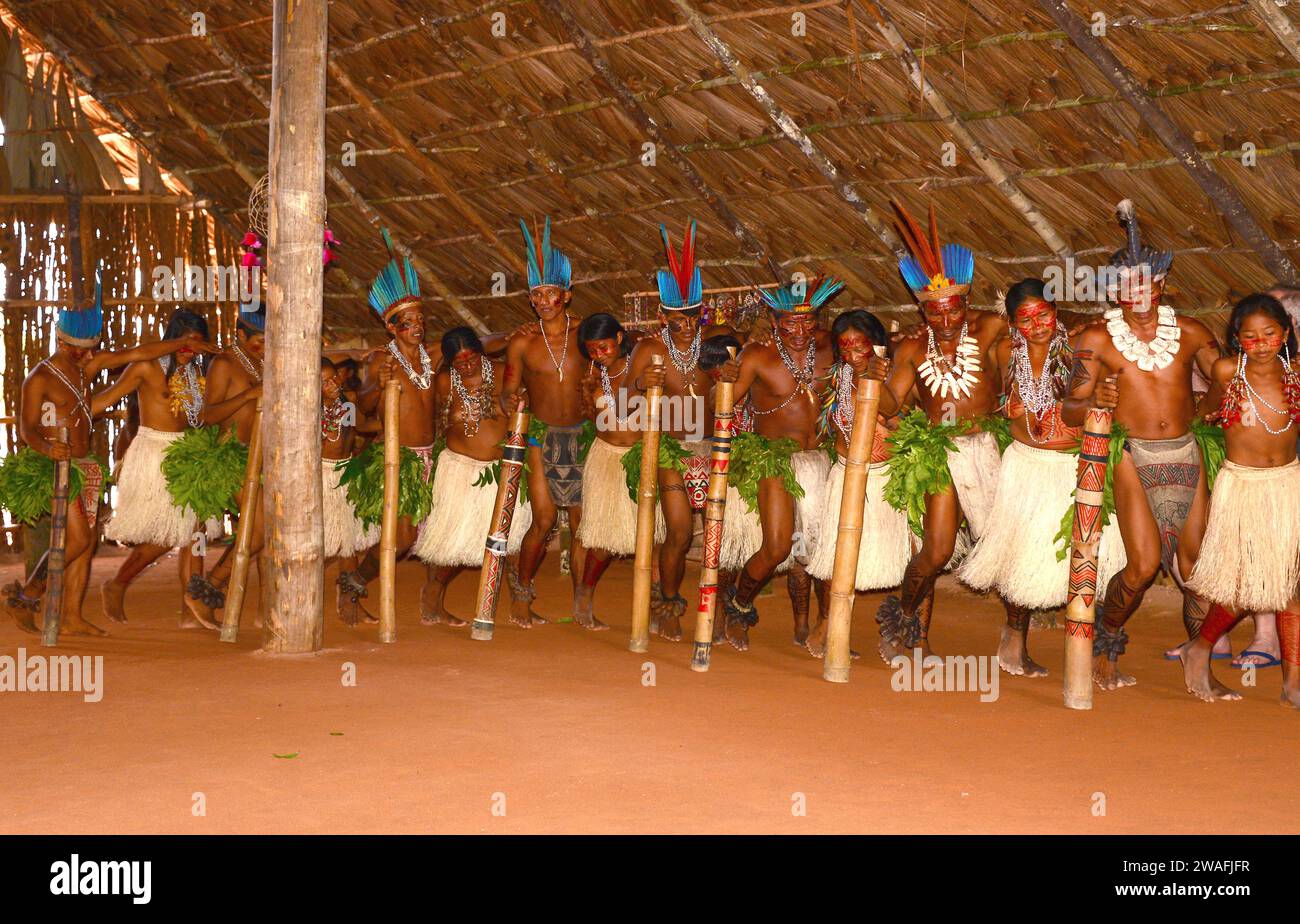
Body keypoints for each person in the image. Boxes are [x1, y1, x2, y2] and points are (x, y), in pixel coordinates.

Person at [1061, 200, 1220, 691]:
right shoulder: (1095, 339)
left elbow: (1228, 380)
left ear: (1161, 285)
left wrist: (1212, 399)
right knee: (1143, 566)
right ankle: (1107, 637)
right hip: (1132, 456)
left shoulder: (1191, 331)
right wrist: (1095, 402)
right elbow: (1069, 407)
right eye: (1126, 287)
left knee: (1198, 570)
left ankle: (1201, 660)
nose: (1138, 295)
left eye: (1145, 285)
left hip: (1187, 451)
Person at [0, 280, 211, 635]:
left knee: (85, 547)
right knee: (79, 540)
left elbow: (136, 354)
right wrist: (49, 448)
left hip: (83, 465)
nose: (84, 355)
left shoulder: (88, 367)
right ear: (61, 341)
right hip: (54, 464)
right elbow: (27, 429)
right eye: (76, 349)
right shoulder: (39, 378)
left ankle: (70, 617)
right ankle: (26, 596)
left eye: (88, 350)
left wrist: (182, 344)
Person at [958, 280, 1127, 675]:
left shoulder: (1080, 348)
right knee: (1021, 554)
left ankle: (1094, 651)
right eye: (1025, 319)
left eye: (1043, 315)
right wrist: (1008, 408)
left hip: (1073, 463)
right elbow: (995, 400)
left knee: (1088, 553)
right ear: (1013, 322)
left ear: (1056, 311)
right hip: (1026, 463)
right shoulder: (1003, 351)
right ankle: (1014, 638)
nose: (1036, 325)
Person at [862, 202, 1006, 662]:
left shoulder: (988, 328)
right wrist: (871, 378)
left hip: (990, 447)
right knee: (938, 548)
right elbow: (888, 405)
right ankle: (903, 618)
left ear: (966, 302)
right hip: (939, 451)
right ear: (923, 312)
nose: (946, 321)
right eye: (936, 313)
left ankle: (1016, 639)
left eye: (954, 310)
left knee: (1007, 544)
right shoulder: (910, 347)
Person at [1180, 293, 1300, 706]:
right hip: (1243, 486)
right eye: (1251, 337)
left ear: (1285, 335)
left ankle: (1292, 683)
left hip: (1287, 485)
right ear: (1237, 339)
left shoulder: (1296, 375)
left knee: (1289, 586)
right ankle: (1201, 647)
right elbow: (1210, 411)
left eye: (1270, 334)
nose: (1262, 343)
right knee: (1247, 587)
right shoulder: (1228, 371)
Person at [716, 276, 841, 652]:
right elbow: (717, 407)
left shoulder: (830, 347)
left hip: (820, 459)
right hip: (773, 459)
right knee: (777, 546)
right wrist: (721, 383)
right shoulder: (756, 356)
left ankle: (822, 625)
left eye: (807, 321)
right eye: (790, 322)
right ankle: (738, 605)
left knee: (818, 549)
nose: (800, 331)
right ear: (775, 321)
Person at [332, 230, 440, 625]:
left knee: (411, 539)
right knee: (402, 538)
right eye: (408, 322)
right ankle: (352, 585)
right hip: (398, 459)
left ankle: (353, 588)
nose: (418, 326)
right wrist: (382, 381)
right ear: (392, 328)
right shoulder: (381, 360)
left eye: (420, 320)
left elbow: (475, 344)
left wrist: (514, 334)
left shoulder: (430, 356)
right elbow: (362, 404)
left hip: (429, 458)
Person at [95, 309, 220, 627]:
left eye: (198, 344)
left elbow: (202, 416)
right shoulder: (147, 367)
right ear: (172, 339)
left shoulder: (197, 375)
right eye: (185, 342)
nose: (191, 350)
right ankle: (119, 583)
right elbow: (107, 397)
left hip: (188, 455)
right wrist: (75, 413)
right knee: (166, 537)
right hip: (154, 454)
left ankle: (189, 606)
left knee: (197, 532)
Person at [624, 220, 714, 640]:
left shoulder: (716, 344)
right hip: (670, 450)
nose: (686, 326)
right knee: (679, 530)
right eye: (677, 320)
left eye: (692, 317)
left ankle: (719, 609)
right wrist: (642, 385)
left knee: (717, 529)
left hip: (712, 448)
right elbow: (621, 403)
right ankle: (669, 602)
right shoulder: (649, 349)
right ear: (662, 316)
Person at [805, 310, 913, 657]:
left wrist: (873, 381)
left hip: (885, 478)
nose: (853, 355)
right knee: (835, 555)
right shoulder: (837, 377)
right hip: (845, 472)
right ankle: (827, 625)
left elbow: (896, 411)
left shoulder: (893, 373)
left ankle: (902, 629)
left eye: (860, 347)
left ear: (875, 344)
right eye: (845, 349)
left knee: (907, 556)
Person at [500, 217, 587, 626]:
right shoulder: (522, 341)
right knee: (545, 519)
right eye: (536, 295)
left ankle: (582, 603)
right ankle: (521, 593)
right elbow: (508, 390)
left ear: (566, 296)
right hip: (540, 437)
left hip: (583, 436)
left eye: (551, 293)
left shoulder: (585, 335)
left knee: (582, 524)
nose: (544, 300)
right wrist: (510, 400)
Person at [412, 328, 531, 626]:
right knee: (452, 541)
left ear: (482, 352)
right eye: (459, 361)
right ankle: (433, 597)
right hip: (459, 470)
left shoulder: (505, 373)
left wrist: (518, 402)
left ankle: (520, 601)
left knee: (511, 539)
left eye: (472, 358)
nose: (467, 365)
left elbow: (522, 406)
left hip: (500, 471)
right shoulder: (444, 383)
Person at [180, 299, 267, 626]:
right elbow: (205, 416)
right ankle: (207, 590)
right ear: (240, 335)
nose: (264, 347)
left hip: (255, 458)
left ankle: (259, 607)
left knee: (264, 530)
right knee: (257, 531)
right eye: (259, 341)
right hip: (227, 458)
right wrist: (248, 395)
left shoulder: (260, 363)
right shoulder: (225, 365)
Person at [571, 313, 657, 630]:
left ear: (619, 339)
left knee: (650, 538)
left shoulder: (645, 368)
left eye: (604, 347)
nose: (599, 355)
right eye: (592, 350)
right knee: (603, 540)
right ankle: (584, 597)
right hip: (605, 458)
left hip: (640, 458)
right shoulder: (593, 374)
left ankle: (655, 609)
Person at [319, 356, 379, 619]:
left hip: (345, 473)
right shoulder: (307, 407)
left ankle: (349, 602)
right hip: (319, 476)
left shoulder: (348, 402)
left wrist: (387, 423)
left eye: (334, 377)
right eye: (324, 381)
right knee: (318, 545)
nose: (333, 383)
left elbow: (361, 427)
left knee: (349, 545)